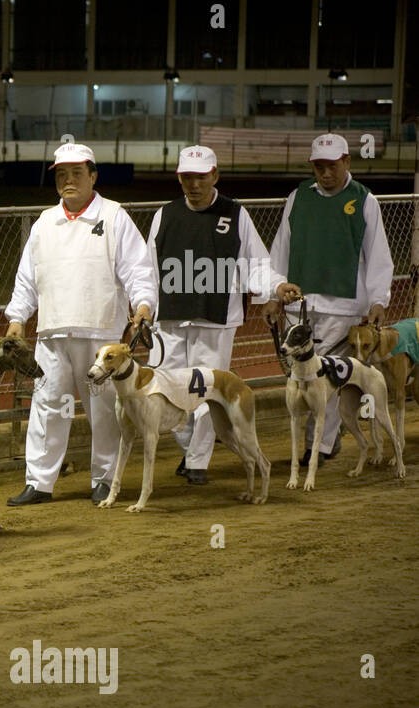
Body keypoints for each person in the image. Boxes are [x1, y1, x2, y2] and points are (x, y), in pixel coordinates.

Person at [4, 143, 156, 506]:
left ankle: (104, 479)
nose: (67, 180)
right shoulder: (44, 222)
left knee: (104, 411)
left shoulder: (116, 216)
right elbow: (28, 277)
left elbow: (138, 270)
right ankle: (39, 482)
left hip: (101, 333)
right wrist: (16, 317)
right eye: (60, 174)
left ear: (93, 176)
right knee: (47, 406)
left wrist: (144, 306)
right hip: (53, 332)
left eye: (76, 173)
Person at [147, 145, 285, 484]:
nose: (194, 184)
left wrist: (276, 288)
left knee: (209, 393)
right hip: (170, 319)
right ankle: (188, 450)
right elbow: (148, 269)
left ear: (215, 176)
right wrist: (142, 308)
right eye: (187, 177)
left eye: (201, 177)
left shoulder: (236, 214)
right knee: (166, 392)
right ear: (179, 178)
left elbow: (257, 264)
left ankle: (197, 462)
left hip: (216, 318)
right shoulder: (165, 215)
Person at [266, 132, 394, 466]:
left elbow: (379, 256)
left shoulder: (364, 200)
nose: (325, 173)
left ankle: (319, 446)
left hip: (344, 306)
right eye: (319, 166)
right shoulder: (298, 198)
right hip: (299, 303)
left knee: (329, 380)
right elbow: (281, 248)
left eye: (332, 166)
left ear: (346, 162)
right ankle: (318, 440)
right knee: (301, 377)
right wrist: (273, 292)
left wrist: (379, 299)